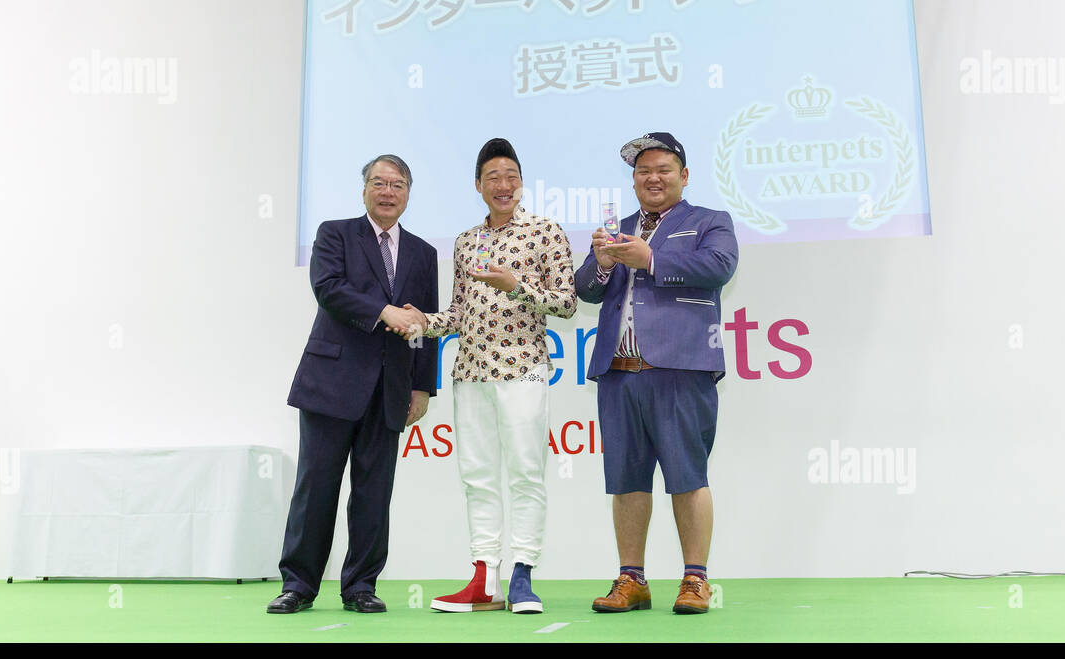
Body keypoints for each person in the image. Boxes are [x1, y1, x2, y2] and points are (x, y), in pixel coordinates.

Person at [393, 138, 576, 614]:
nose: (503, 184)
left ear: (522, 183)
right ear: (478, 185)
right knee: (477, 476)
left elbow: (566, 303)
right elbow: (459, 312)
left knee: (526, 473)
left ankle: (522, 576)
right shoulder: (466, 241)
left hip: (524, 369)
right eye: (493, 177)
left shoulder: (545, 231)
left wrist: (517, 286)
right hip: (471, 371)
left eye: (511, 176)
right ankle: (483, 578)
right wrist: (422, 321)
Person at [573, 133, 738, 614]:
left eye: (663, 169)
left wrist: (651, 258)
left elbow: (720, 265)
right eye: (643, 171)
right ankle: (632, 579)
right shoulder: (617, 228)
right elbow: (585, 288)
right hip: (619, 370)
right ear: (633, 181)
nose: (653, 178)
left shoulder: (710, 221)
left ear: (684, 176)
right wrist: (603, 264)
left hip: (680, 368)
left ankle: (695, 579)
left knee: (688, 476)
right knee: (626, 480)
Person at [267, 155, 438, 615]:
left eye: (397, 184)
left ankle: (361, 585)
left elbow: (425, 324)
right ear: (364, 190)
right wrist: (383, 312)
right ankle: (298, 585)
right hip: (331, 383)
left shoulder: (424, 253)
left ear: (408, 193)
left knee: (373, 493)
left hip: (390, 389)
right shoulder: (334, 234)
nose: (388, 192)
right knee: (316, 488)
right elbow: (328, 288)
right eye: (379, 183)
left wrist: (422, 387)